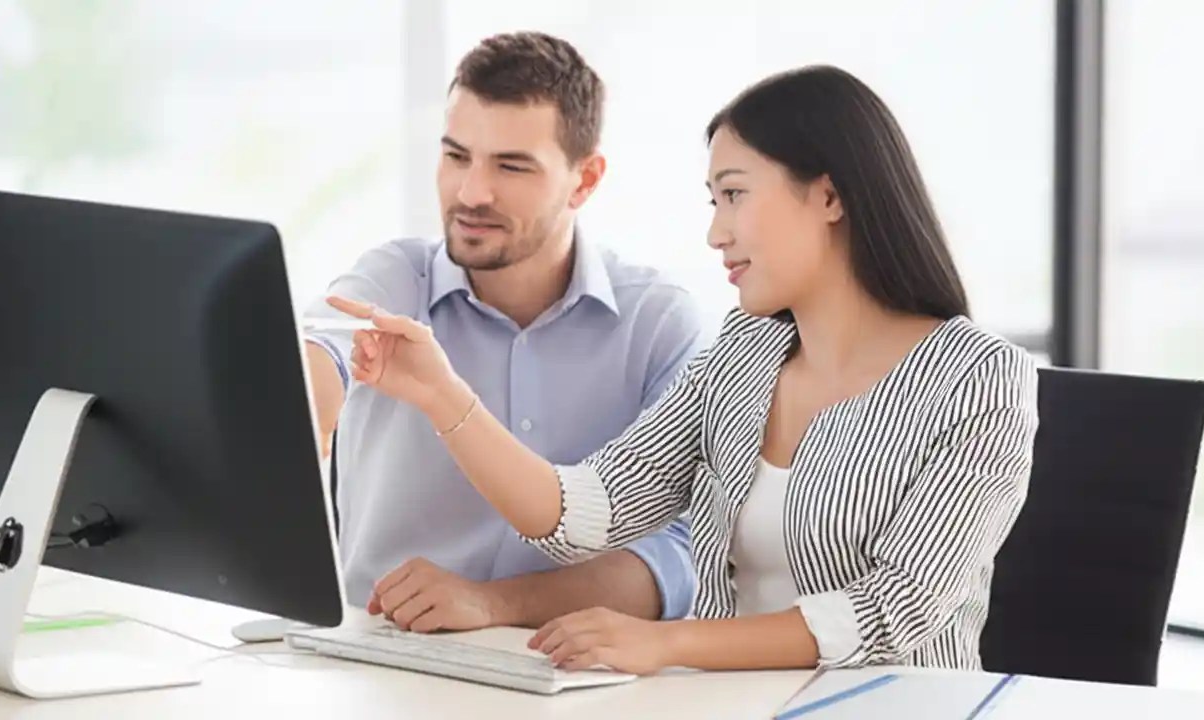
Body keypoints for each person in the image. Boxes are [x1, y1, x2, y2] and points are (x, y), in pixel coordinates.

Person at [327, 65, 1040, 673]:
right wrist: (443, 394)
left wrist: (670, 643)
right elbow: (584, 512)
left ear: (829, 196)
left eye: (734, 194)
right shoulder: (742, 353)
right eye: (712, 201)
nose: (714, 232)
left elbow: (894, 610)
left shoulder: (982, 379)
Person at [303, 32, 702, 632]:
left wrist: (495, 604)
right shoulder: (395, 279)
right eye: (456, 156)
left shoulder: (657, 323)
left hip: (576, 676)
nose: (471, 193)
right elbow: (320, 354)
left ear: (585, 180)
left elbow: (678, 559)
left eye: (511, 167)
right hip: (386, 661)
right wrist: (298, 409)